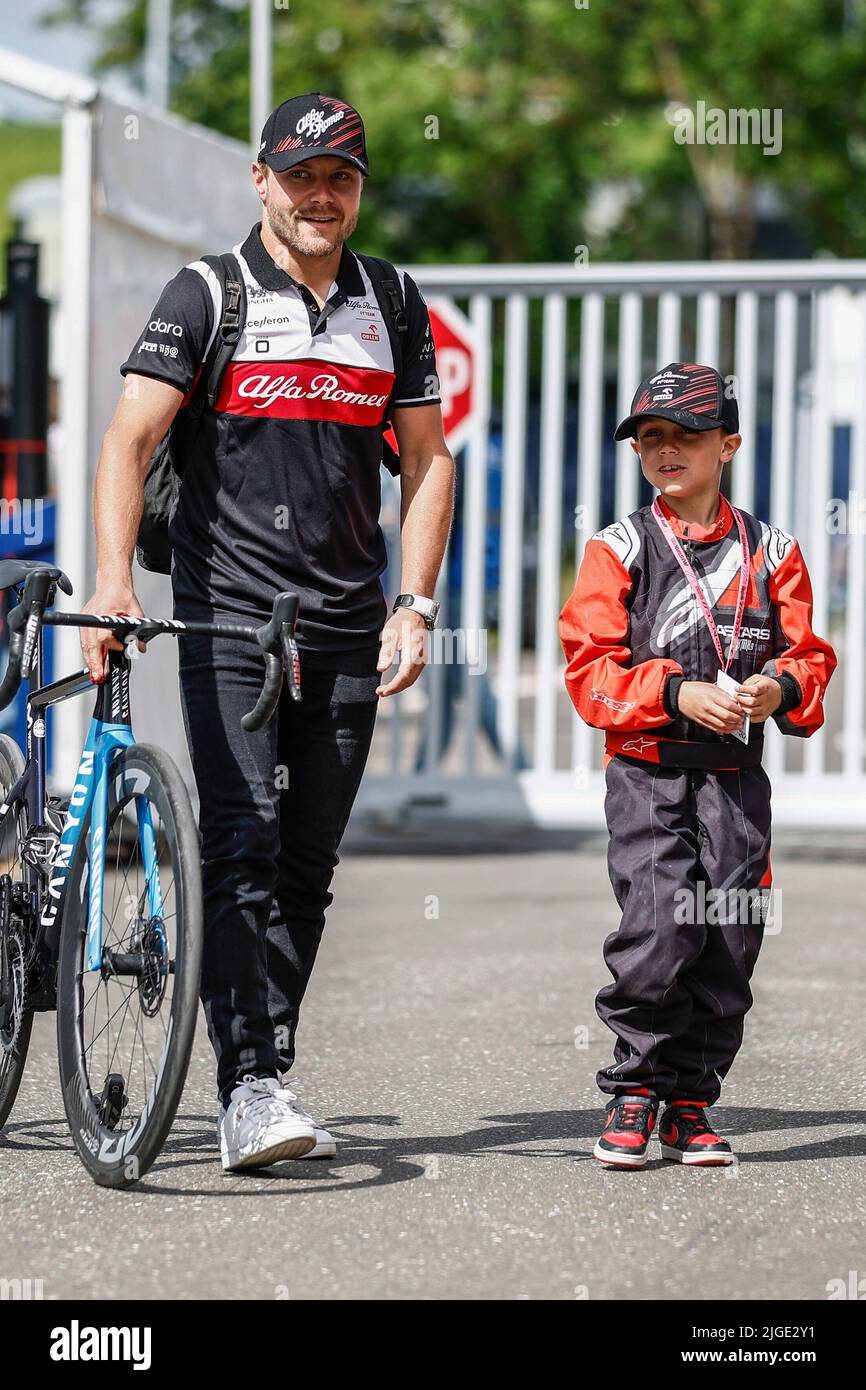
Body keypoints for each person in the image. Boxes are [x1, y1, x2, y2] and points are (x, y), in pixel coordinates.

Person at [80, 93, 455, 1172]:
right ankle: (249, 1084)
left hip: (345, 625)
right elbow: (128, 438)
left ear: (358, 189)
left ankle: (263, 1070)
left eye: (340, 175)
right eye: (300, 176)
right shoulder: (206, 293)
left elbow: (428, 462)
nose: (319, 194)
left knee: (307, 864)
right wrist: (114, 581)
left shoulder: (391, 299)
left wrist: (415, 603)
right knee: (242, 846)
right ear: (262, 182)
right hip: (229, 614)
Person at [558, 362, 836, 1169]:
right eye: (651, 438)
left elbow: (811, 656)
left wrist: (775, 687)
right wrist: (677, 693)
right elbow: (588, 668)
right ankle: (635, 1089)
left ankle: (690, 1100)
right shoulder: (618, 547)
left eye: (687, 435)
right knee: (660, 921)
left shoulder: (772, 550)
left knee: (732, 935)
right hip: (648, 772)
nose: (667, 450)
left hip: (735, 779)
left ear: (730, 443)